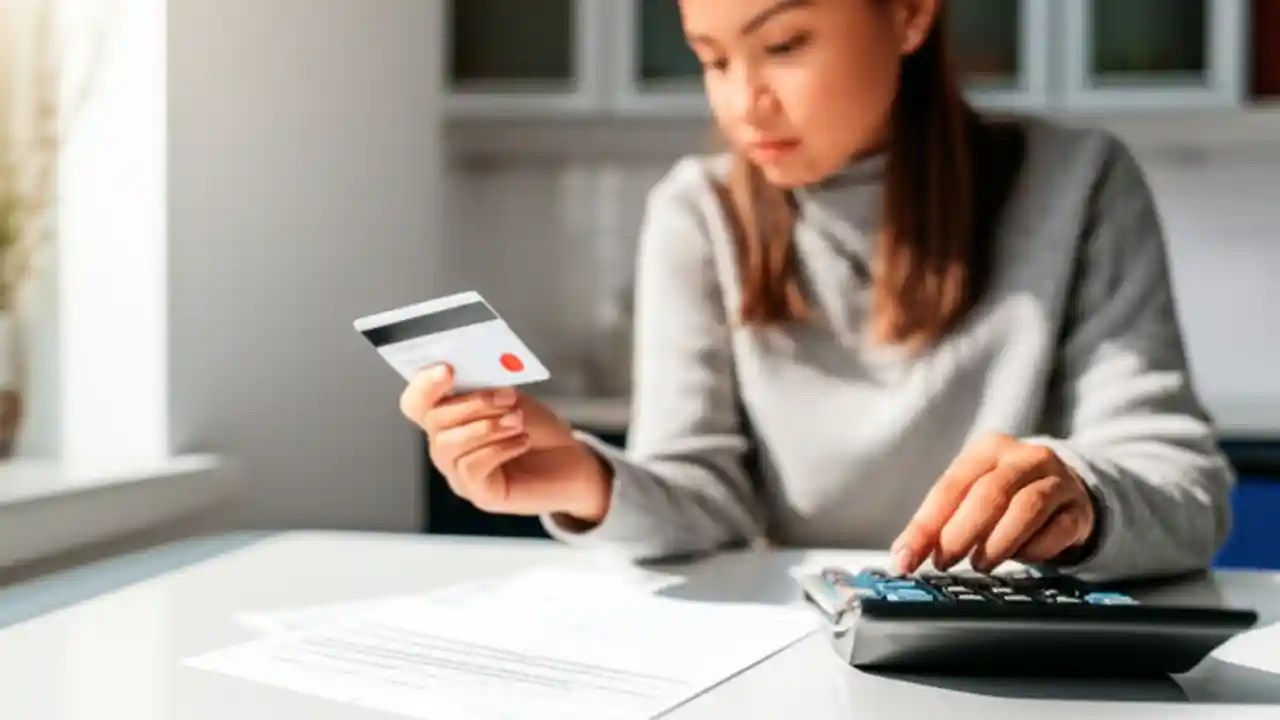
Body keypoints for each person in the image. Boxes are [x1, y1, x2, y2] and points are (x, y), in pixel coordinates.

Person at [399, 0, 1233, 581]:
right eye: (712, 58)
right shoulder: (700, 212)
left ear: (909, 13)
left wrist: (1082, 493)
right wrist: (587, 479)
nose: (743, 101)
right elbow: (703, 499)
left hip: (1021, 662)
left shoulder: (1081, 183)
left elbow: (1184, 491)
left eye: (786, 44)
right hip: (796, 655)